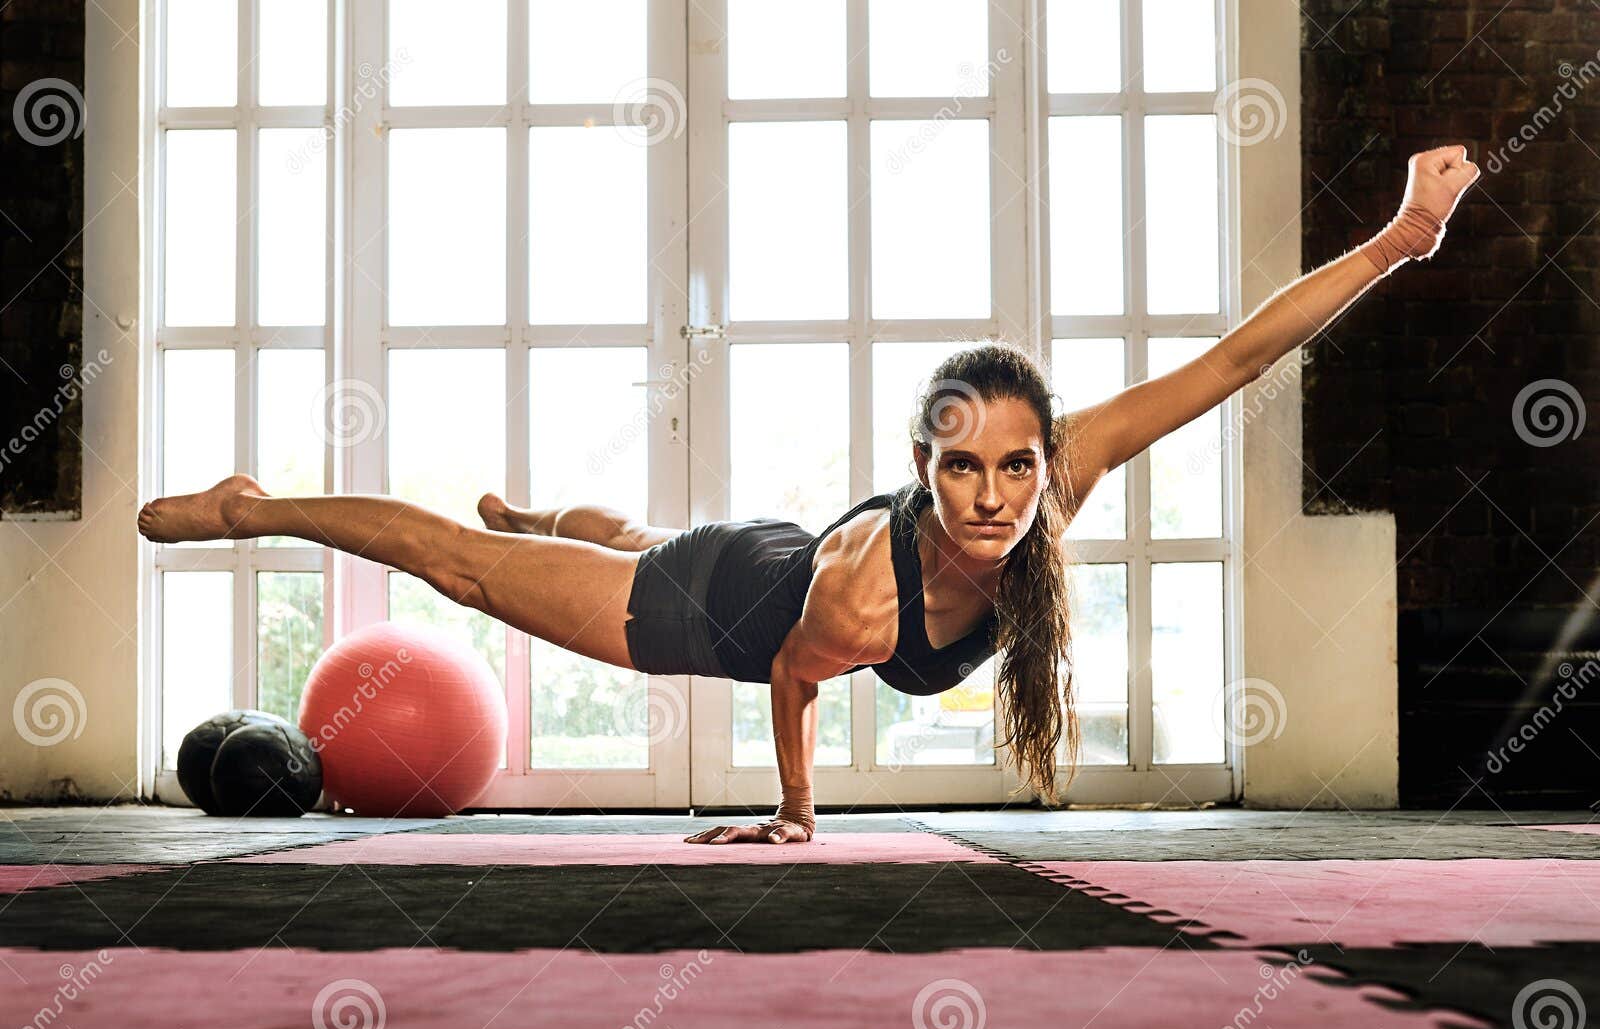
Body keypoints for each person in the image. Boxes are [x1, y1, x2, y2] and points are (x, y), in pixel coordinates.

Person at [139, 145, 1481, 845]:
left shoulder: (1058, 477)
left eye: (1018, 464)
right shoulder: (865, 592)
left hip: (767, 550)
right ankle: (262, 504)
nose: (996, 495)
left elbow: (1234, 356)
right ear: (924, 468)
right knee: (468, 572)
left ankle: (547, 516)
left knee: (638, 530)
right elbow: (791, 674)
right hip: (724, 608)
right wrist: (795, 812)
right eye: (964, 466)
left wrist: (1396, 241)